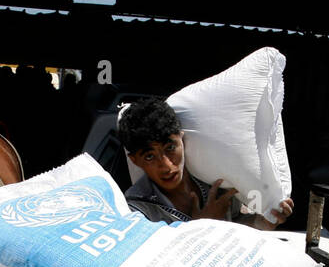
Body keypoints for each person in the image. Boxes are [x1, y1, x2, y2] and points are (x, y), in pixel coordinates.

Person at [118, 96, 292, 228]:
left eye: (170, 148)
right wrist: (202, 225)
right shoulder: (136, 210)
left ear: (182, 140)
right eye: (150, 157)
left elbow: (237, 226)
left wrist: (266, 220)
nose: (166, 166)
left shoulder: (214, 176)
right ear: (135, 160)